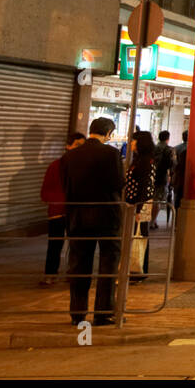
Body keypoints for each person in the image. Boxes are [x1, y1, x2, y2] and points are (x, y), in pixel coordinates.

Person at [61, 117, 124, 325]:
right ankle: (103, 313)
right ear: (108, 134)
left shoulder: (71, 156)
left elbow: (66, 186)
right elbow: (117, 183)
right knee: (108, 265)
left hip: (78, 217)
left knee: (79, 265)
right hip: (107, 216)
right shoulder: (112, 154)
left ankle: (77, 314)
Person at [41, 133, 83, 284]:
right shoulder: (55, 166)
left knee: (76, 245)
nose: (80, 149)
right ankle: (50, 274)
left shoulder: (84, 167)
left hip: (76, 212)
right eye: (77, 145)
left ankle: (72, 272)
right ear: (68, 146)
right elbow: (45, 192)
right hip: (59, 212)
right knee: (55, 245)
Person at [124, 131, 157, 283]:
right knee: (138, 236)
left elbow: (144, 186)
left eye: (133, 141)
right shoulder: (139, 159)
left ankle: (138, 270)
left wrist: (138, 208)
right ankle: (136, 269)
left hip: (140, 204)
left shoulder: (145, 161)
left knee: (140, 236)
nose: (131, 143)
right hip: (135, 203)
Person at [153, 130, 174, 225]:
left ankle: (151, 220)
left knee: (152, 199)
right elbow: (173, 164)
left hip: (152, 175)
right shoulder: (169, 149)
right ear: (168, 139)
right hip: (162, 177)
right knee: (158, 200)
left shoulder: (153, 148)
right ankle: (153, 221)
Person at [171, 130, 188, 209]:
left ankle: (176, 216)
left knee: (177, 197)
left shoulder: (176, 148)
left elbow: (173, 163)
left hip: (177, 176)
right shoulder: (191, 148)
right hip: (187, 177)